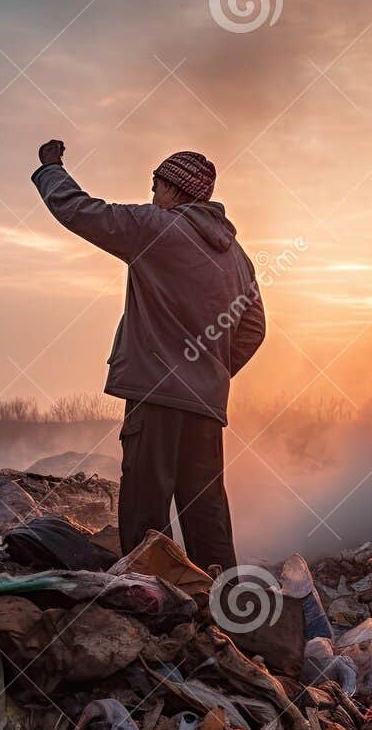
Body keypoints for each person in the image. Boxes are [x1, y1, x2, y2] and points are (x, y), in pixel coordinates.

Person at [31, 140, 265, 571]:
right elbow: (253, 328)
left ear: (175, 191)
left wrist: (50, 169)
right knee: (206, 510)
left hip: (156, 395)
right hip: (206, 404)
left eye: (156, 186)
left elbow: (81, 211)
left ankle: (153, 605)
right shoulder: (238, 257)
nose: (152, 195)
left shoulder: (155, 227)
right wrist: (211, 369)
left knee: (145, 506)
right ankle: (223, 608)